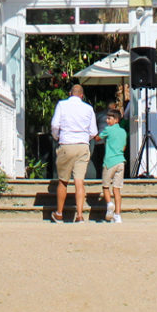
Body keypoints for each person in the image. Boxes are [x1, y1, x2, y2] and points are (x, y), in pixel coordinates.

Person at [49, 83, 98, 223]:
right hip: (82, 145)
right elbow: (93, 131)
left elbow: (54, 125)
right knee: (79, 182)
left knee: (63, 181)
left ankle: (59, 213)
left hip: (67, 143)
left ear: (70, 93)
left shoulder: (62, 105)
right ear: (82, 96)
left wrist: (56, 136)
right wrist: (84, 138)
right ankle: (80, 215)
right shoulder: (88, 108)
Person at [95, 109, 127, 223]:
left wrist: (95, 135)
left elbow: (98, 138)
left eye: (109, 118)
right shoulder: (123, 132)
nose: (107, 120)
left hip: (109, 162)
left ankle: (109, 204)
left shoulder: (108, 130)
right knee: (117, 189)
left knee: (105, 186)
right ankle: (118, 215)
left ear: (116, 120)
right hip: (120, 161)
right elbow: (124, 147)